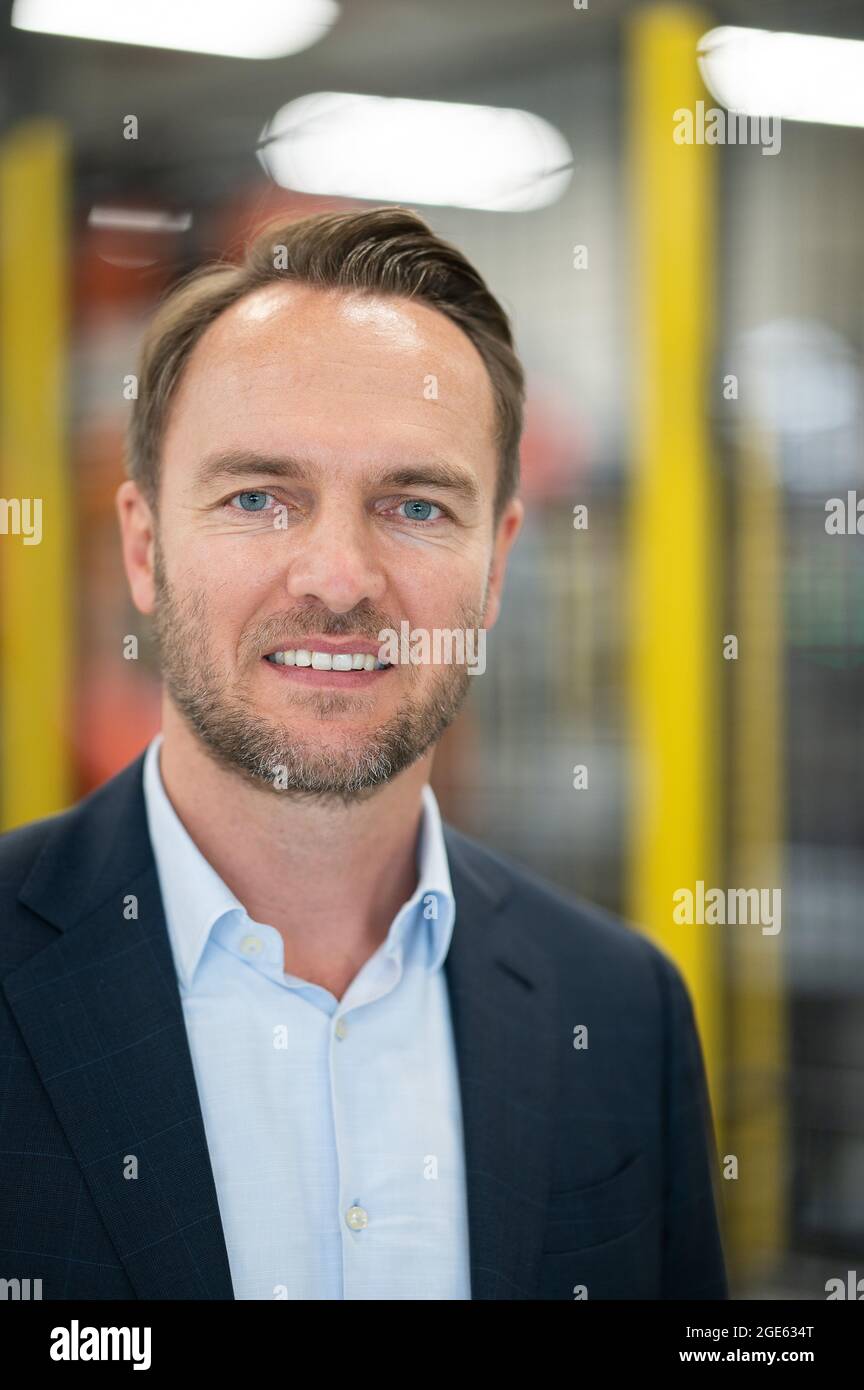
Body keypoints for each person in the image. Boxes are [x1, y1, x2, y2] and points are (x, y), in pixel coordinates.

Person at [0, 206, 727, 1300]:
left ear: (493, 570)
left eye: (415, 505)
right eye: (259, 497)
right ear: (146, 548)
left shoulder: (620, 1011)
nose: (338, 579)